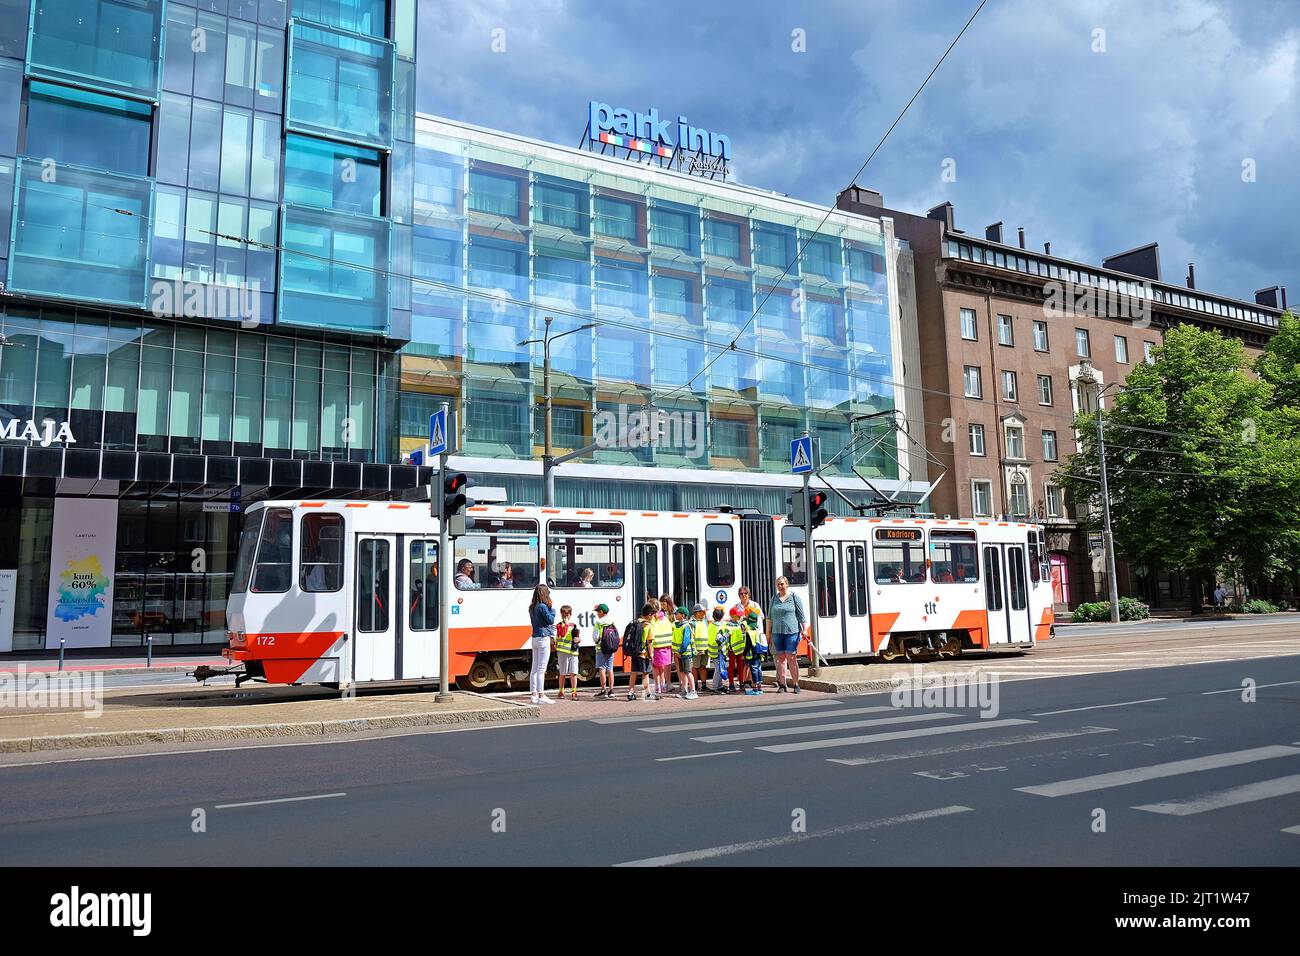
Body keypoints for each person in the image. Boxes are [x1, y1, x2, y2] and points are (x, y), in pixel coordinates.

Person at [767, 576, 807, 694]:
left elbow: (801, 616)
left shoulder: (794, 597)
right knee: (781, 659)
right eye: (778, 584)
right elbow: (769, 618)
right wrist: (768, 633)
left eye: (782, 584)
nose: (780, 586)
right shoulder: (774, 598)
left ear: (787, 585)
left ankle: (796, 684)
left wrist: (804, 630)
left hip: (792, 632)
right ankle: (783, 684)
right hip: (777, 633)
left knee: (791, 658)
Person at [528, 584, 556, 705]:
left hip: (535, 637)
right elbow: (550, 620)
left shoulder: (532, 607)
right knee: (541, 669)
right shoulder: (543, 607)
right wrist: (553, 610)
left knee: (534, 668)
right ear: (544, 593)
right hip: (543, 637)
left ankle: (533, 694)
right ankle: (541, 695)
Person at [624, 602, 656, 701]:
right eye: (652, 615)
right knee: (645, 673)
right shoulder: (648, 626)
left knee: (633, 672)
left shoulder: (636, 622)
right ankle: (648, 694)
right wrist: (651, 654)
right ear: (650, 615)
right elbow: (649, 642)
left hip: (635, 652)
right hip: (644, 654)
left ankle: (630, 692)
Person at [649, 601, 676, 700]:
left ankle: (657, 687)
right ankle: (663, 685)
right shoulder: (665, 619)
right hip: (667, 646)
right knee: (663, 668)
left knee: (656, 668)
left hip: (656, 647)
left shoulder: (652, 620)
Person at [593, 603, 620, 699]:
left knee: (602, 669)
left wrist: (597, 641)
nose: (597, 614)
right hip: (610, 648)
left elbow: (595, 638)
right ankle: (611, 691)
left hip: (601, 648)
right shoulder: (611, 622)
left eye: (597, 612)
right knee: (610, 669)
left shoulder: (598, 623)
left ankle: (604, 691)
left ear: (601, 612)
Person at [554, 604, 580, 700]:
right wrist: (566, 624)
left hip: (573, 652)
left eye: (568, 614)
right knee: (563, 673)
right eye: (564, 614)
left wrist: (578, 640)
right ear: (561, 615)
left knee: (574, 673)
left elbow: (577, 637)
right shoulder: (559, 625)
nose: (566, 616)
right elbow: (563, 633)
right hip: (562, 652)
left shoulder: (574, 626)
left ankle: (574, 692)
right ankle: (561, 691)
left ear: (570, 614)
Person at [674, 605, 699, 700]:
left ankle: (693, 691)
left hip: (685, 653)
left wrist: (680, 651)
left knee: (688, 672)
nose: (675, 615)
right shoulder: (678, 625)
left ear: (683, 615)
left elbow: (686, 640)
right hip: (680, 653)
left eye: (677, 613)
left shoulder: (686, 626)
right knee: (682, 673)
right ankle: (684, 691)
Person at [726, 604, 749, 693]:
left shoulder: (741, 624)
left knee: (740, 666)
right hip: (732, 650)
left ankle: (741, 683)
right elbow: (727, 637)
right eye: (739, 616)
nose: (740, 617)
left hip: (740, 649)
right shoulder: (729, 625)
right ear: (733, 616)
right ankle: (731, 684)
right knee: (731, 666)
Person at [708, 606, 730, 693]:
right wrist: (727, 635)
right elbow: (720, 639)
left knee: (719, 668)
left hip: (713, 651)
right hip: (719, 651)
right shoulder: (721, 626)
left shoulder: (710, 625)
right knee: (718, 670)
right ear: (722, 616)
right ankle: (714, 687)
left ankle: (719, 685)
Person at [743, 607, 765, 695]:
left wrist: (744, 654)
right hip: (759, 653)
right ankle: (760, 687)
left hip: (752, 653)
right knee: (759, 669)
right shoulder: (757, 631)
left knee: (754, 669)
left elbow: (748, 645)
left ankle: (755, 688)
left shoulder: (749, 632)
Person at [689, 603, 711, 691]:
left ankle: (704, 685)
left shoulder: (705, 621)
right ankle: (695, 685)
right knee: (695, 667)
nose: (704, 614)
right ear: (697, 613)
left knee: (703, 666)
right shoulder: (692, 623)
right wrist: (694, 649)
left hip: (705, 649)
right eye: (703, 612)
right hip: (696, 650)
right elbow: (691, 637)